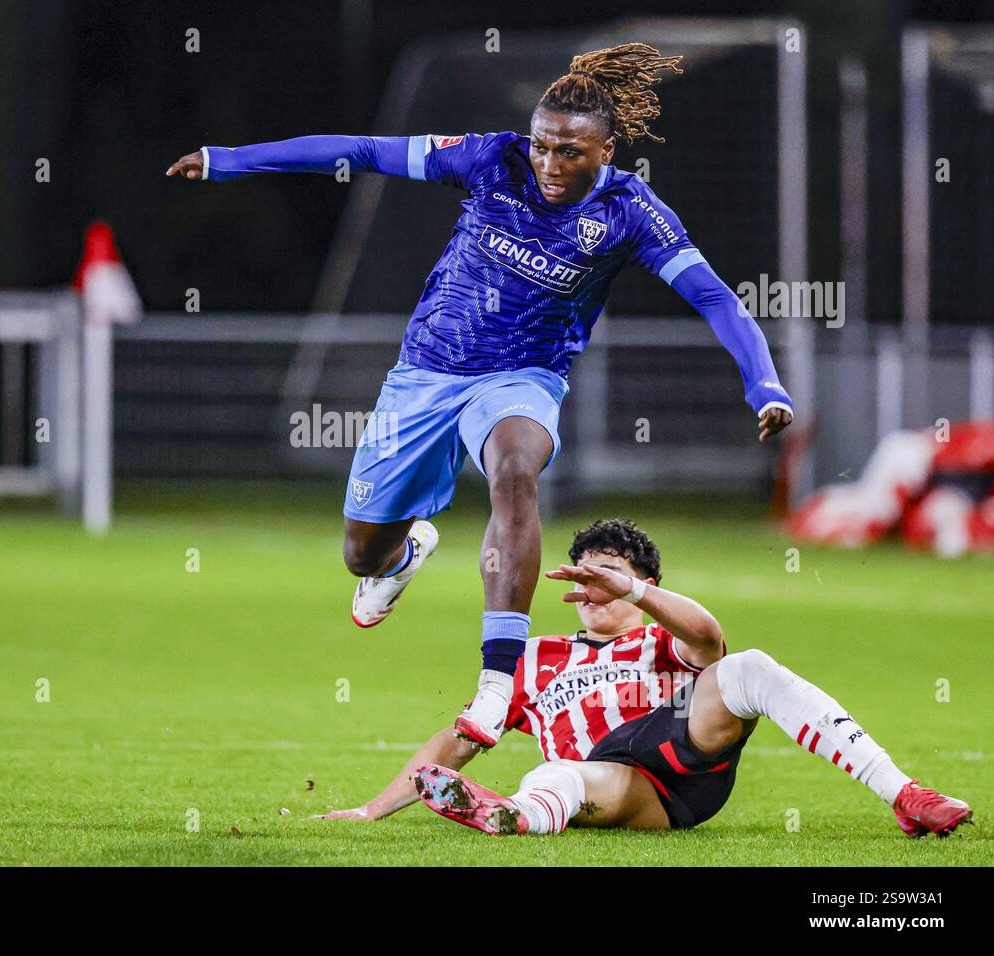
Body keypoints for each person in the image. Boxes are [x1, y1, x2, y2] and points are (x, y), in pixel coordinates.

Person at [167, 44, 795, 750]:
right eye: (542, 148)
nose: (551, 166)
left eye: (570, 153)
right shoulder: (488, 159)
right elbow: (364, 150)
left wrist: (762, 381)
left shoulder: (632, 213)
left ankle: (497, 683)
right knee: (360, 555)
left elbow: (713, 295)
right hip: (425, 373)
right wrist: (228, 160)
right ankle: (401, 557)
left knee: (514, 470)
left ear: (608, 150)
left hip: (522, 377)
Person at [315, 518, 972, 838]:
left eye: (608, 576)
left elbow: (711, 639)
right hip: (622, 786)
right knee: (554, 777)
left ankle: (905, 795)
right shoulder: (534, 657)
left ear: (642, 584)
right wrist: (373, 808)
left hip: (684, 752)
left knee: (750, 668)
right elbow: (454, 744)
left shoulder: (663, 639)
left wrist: (631, 590)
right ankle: (513, 817)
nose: (591, 587)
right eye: (584, 574)